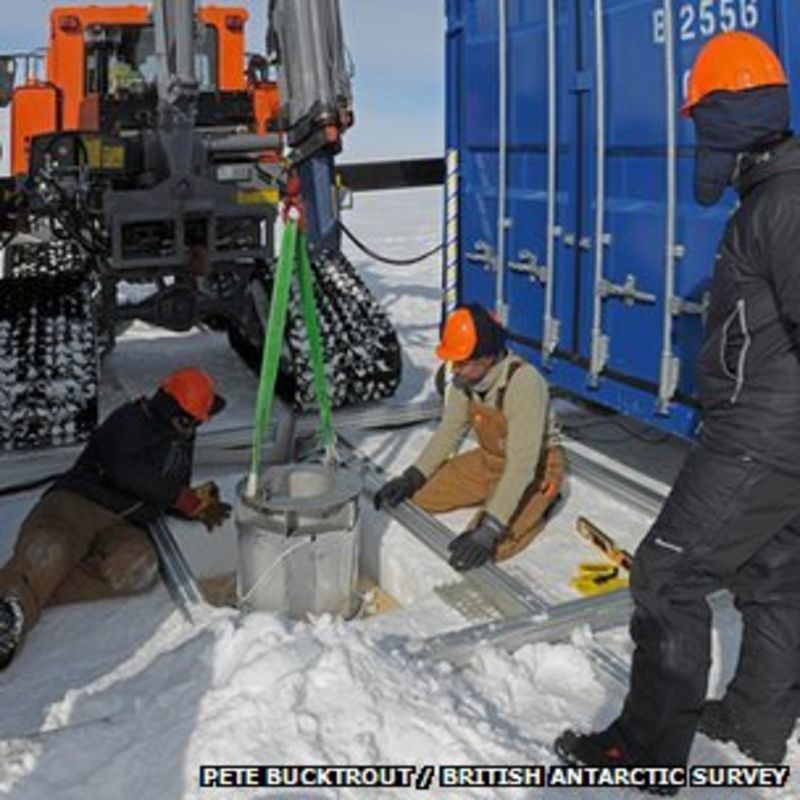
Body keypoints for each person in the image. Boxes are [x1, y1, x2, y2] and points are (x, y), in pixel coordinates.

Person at [555, 31, 800, 782]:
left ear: (727, 118)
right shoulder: (774, 192)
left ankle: (644, 752)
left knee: (665, 577)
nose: (697, 139)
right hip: (774, 431)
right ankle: (756, 722)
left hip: (762, 434)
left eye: (700, 120)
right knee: (774, 574)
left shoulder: (785, 203)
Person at [0, 367, 231, 670]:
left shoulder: (181, 439)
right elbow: (125, 470)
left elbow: (167, 491)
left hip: (126, 524)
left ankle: (26, 590)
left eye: (198, 421)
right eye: (189, 420)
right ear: (168, 408)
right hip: (79, 502)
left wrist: (196, 505)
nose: (193, 427)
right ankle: (8, 613)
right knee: (51, 547)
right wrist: (178, 497)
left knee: (137, 569)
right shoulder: (129, 419)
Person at [374, 304, 565, 571]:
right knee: (419, 498)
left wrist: (490, 528)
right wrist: (413, 476)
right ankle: (497, 496)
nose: (454, 369)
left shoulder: (523, 383)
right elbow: (449, 430)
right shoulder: (465, 382)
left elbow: (522, 465)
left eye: (461, 362)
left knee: (487, 546)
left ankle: (540, 503)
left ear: (485, 359)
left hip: (536, 469)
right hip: (490, 460)